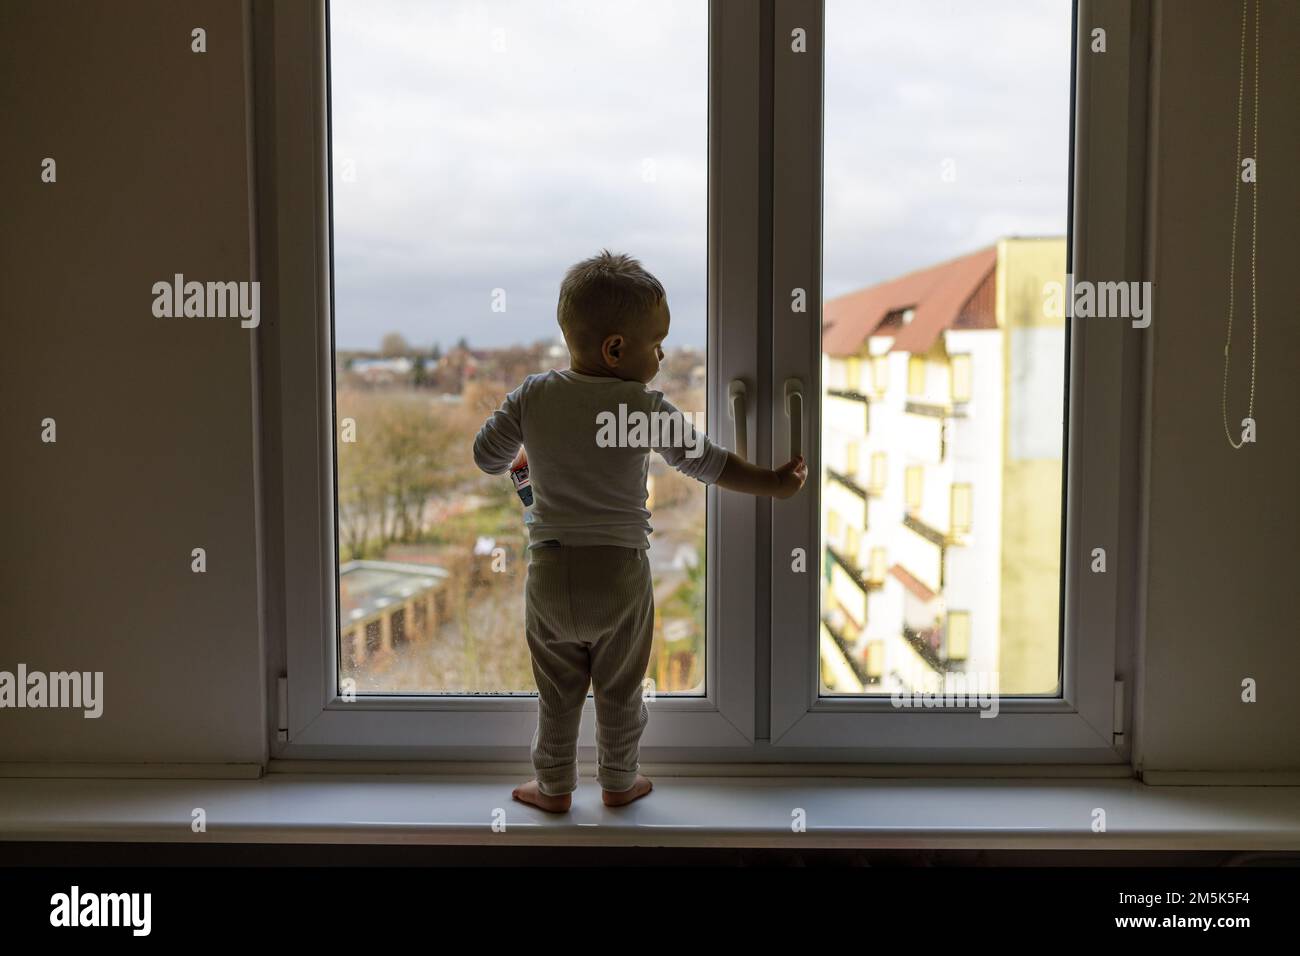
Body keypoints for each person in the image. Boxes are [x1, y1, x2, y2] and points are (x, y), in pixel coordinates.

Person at [472, 249, 807, 813]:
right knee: (620, 689)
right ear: (616, 349)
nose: (661, 355)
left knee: (557, 692)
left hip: (550, 573)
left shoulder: (532, 395)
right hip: (620, 573)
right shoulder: (641, 406)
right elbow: (706, 461)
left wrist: (527, 443)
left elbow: (487, 456)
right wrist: (773, 483)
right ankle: (619, 780)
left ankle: (552, 787)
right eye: (657, 345)